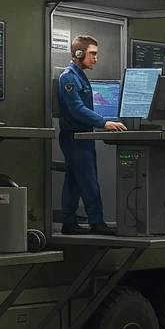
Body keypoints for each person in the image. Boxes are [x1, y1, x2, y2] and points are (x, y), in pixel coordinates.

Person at [58, 34, 127, 235]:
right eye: (92, 54)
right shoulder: (69, 78)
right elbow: (76, 109)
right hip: (75, 137)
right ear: (79, 54)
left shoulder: (78, 76)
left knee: (74, 180)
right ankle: (96, 221)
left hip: (83, 136)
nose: (95, 59)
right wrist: (104, 122)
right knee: (88, 180)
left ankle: (68, 222)